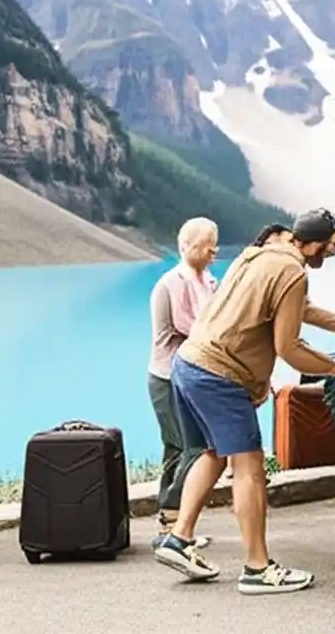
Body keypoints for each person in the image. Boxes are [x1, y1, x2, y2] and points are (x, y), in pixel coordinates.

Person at [152, 208, 335, 595]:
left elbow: (301, 312)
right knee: (250, 469)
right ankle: (258, 569)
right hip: (220, 375)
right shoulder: (294, 272)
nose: (330, 254)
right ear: (313, 242)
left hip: (190, 362)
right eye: (330, 246)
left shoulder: (258, 255)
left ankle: (177, 538)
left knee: (213, 452)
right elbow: (290, 349)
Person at [147, 217, 219, 548]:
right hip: (167, 377)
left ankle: (172, 524)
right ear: (185, 246)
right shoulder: (169, 284)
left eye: (215, 243)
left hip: (195, 377)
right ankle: (172, 517)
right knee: (187, 446)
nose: (214, 250)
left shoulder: (211, 282)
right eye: (207, 244)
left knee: (182, 446)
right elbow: (191, 326)